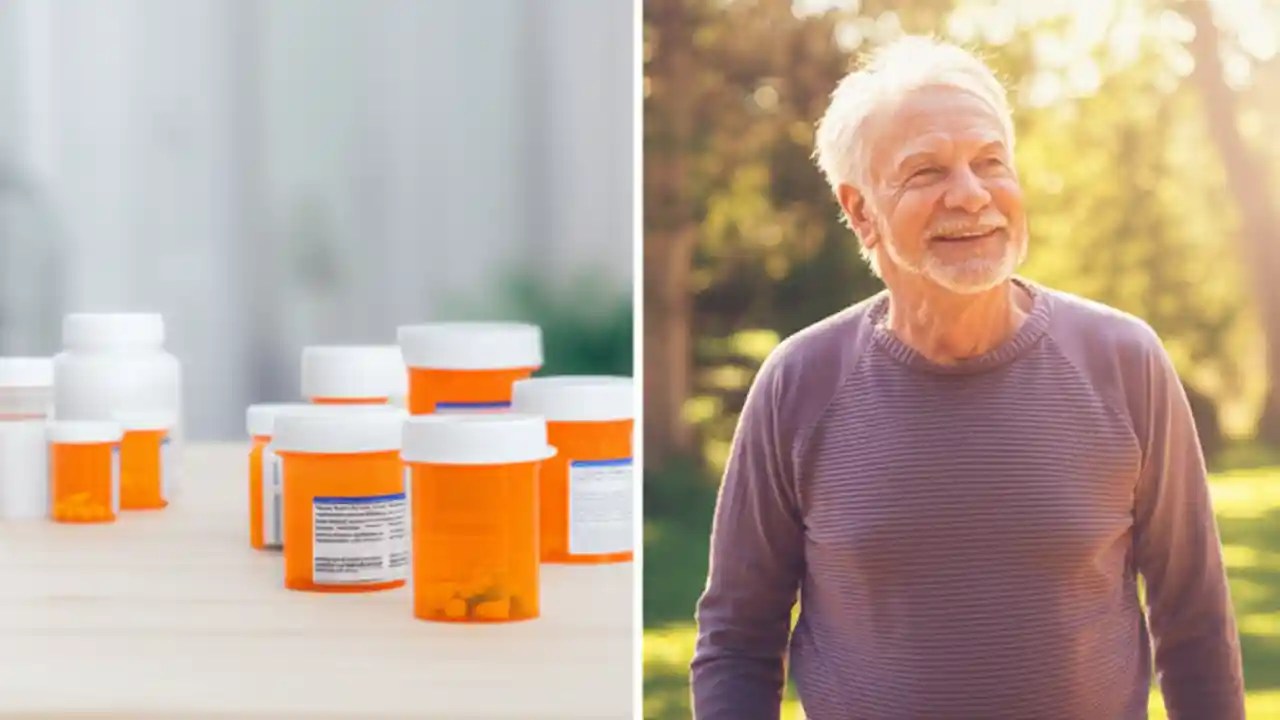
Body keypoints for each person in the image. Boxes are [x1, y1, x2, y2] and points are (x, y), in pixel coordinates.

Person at [690, 35, 1245, 719]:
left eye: (990, 162)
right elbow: (738, 638)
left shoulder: (1124, 360)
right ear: (862, 210)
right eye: (926, 172)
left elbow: (1195, 623)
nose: (972, 195)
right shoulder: (798, 383)